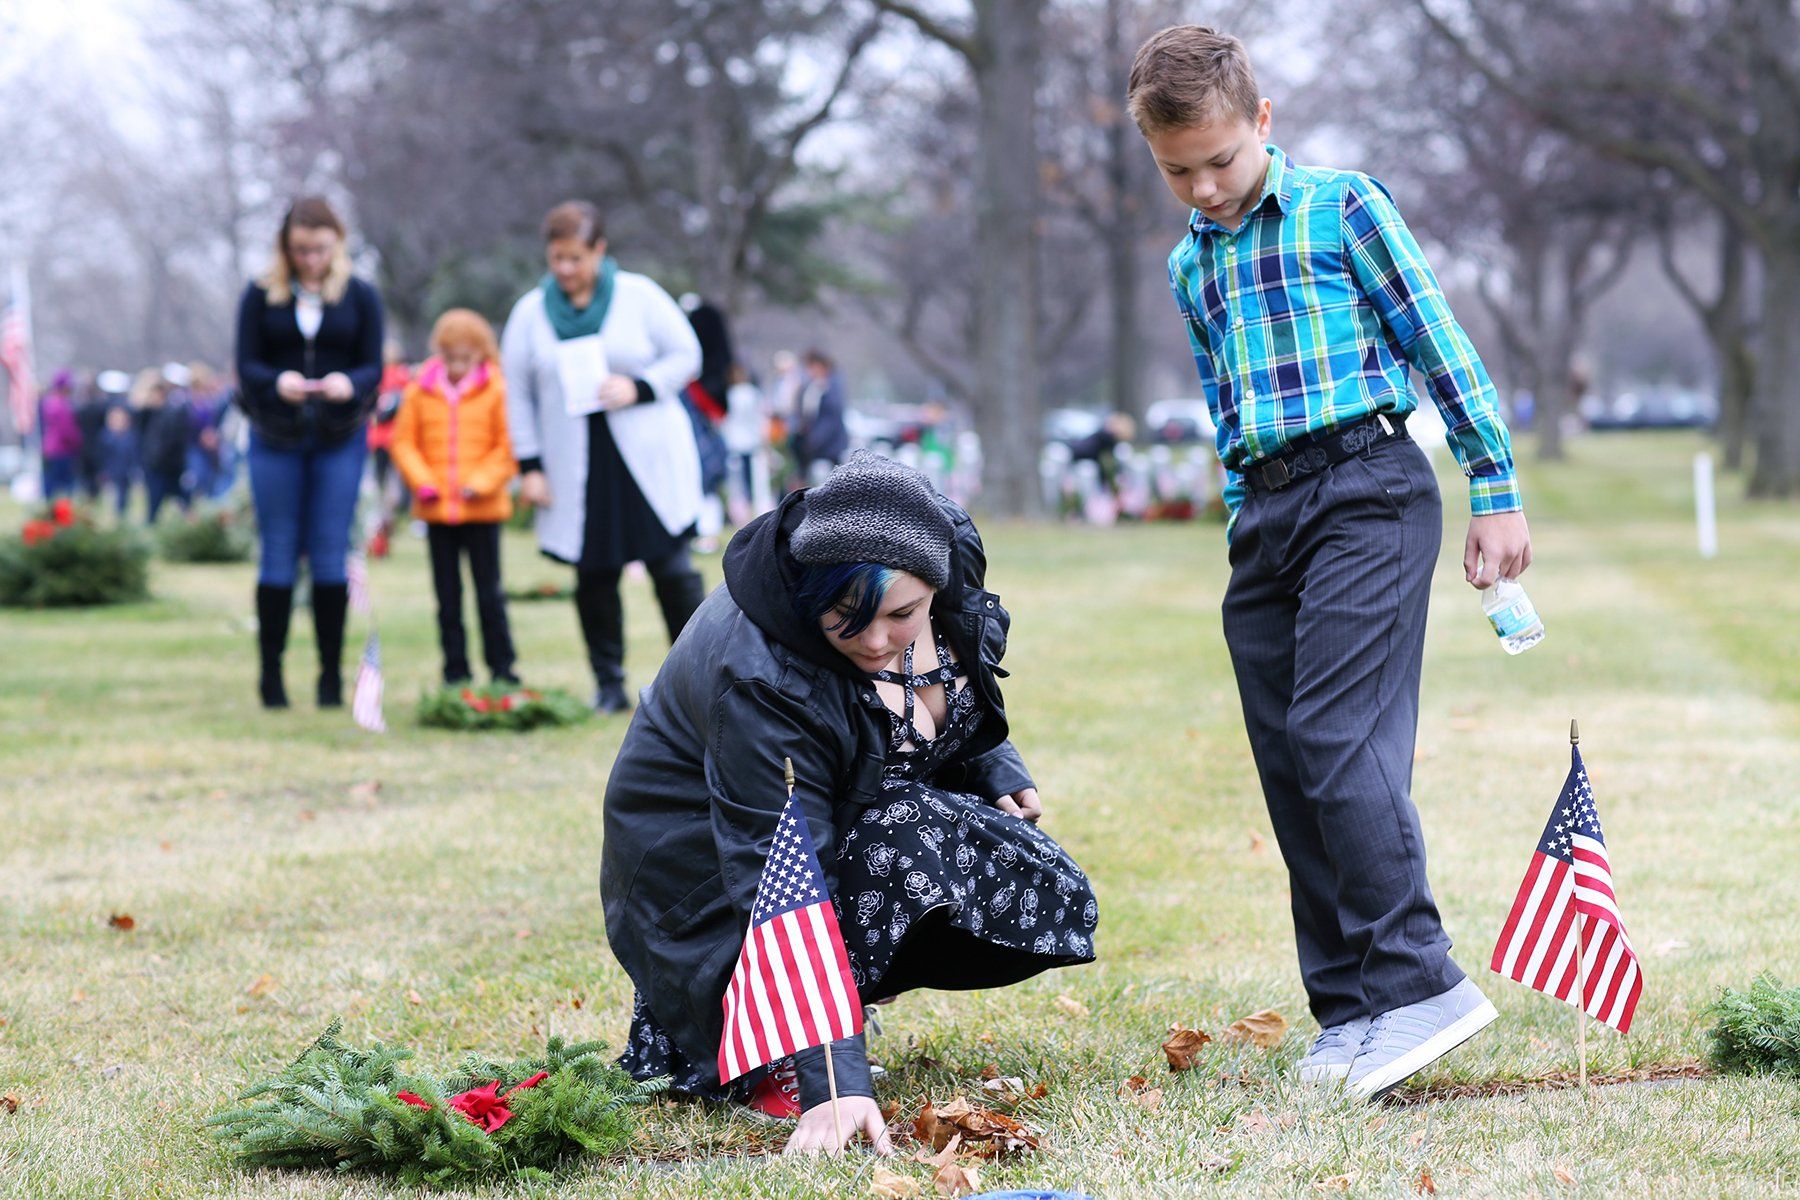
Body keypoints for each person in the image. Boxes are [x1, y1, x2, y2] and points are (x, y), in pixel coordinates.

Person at [1132, 26, 1533, 1101]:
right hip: (1267, 518)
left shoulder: (1341, 205)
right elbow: (1227, 408)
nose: (1206, 186)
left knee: (1337, 734)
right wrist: (1237, 524)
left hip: (1368, 489)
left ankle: (1422, 980)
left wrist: (1493, 486)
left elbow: (1439, 339)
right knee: (1290, 763)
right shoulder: (1189, 263)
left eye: (1221, 159)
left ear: (1262, 123)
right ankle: (1352, 1009)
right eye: (1180, 170)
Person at [602, 451, 1098, 1154]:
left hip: (821, 818)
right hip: (702, 875)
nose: (873, 641)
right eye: (845, 615)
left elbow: (943, 672)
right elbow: (778, 873)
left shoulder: (943, 545)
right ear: (812, 591)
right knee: (907, 840)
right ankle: (770, 1047)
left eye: (902, 614)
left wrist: (989, 758)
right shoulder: (762, 677)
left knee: (1037, 884)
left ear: (936, 577)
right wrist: (834, 1082)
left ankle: (836, 999)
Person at [501, 200, 706, 714]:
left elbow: (688, 354)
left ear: (599, 250)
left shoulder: (639, 296)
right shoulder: (530, 314)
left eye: (576, 258)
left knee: (672, 567)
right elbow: (516, 393)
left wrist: (640, 386)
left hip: (644, 457)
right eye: (557, 259)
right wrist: (529, 466)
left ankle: (698, 680)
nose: (566, 270)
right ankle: (608, 683)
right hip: (576, 464)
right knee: (594, 576)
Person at [234, 195, 385, 709]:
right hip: (275, 437)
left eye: (320, 249)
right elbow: (246, 365)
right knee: (277, 550)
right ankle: (270, 677)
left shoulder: (360, 296)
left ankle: (328, 677)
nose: (311, 260)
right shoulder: (260, 295)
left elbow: (373, 366)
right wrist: (280, 381)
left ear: (337, 244)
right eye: (300, 249)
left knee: (329, 553)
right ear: (286, 247)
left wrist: (348, 381)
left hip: (339, 437)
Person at [390, 309, 519, 686]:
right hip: (436, 512)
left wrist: (480, 483)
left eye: (467, 358)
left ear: (481, 353)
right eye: (451, 357)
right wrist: (423, 481)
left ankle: (502, 668)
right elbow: (404, 442)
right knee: (447, 597)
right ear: (439, 352)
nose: (458, 366)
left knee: (489, 594)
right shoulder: (419, 389)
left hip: (483, 510)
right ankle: (455, 670)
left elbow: (506, 448)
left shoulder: (497, 389)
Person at [133, 366, 192, 524]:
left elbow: (171, 441)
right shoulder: (149, 413)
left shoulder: (172, 411)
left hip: (166, 466)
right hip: (155, 465)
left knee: (176, 499)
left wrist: (157, 459)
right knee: (155, 504)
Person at [721, 362, 774, 523]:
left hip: (741, 443)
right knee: (749, 481)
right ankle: (747, 512)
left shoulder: (737, 394)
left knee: (744, 481)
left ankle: (746, 513)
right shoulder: (746, 394)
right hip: (744, 443)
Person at [790, 349, 849, 486]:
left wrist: (815, 438)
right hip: (810, 441)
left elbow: (832, 415)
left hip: (830, 442)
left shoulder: (832, 385)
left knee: (834, 479)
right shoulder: (809, 386)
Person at [37, 370, 82, 499]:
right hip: (61, 451)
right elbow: (67, 430)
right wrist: (77, 441)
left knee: (51, 485)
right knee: (64, 486)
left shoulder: (49, 402)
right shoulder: (60, 405)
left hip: (50, 449)